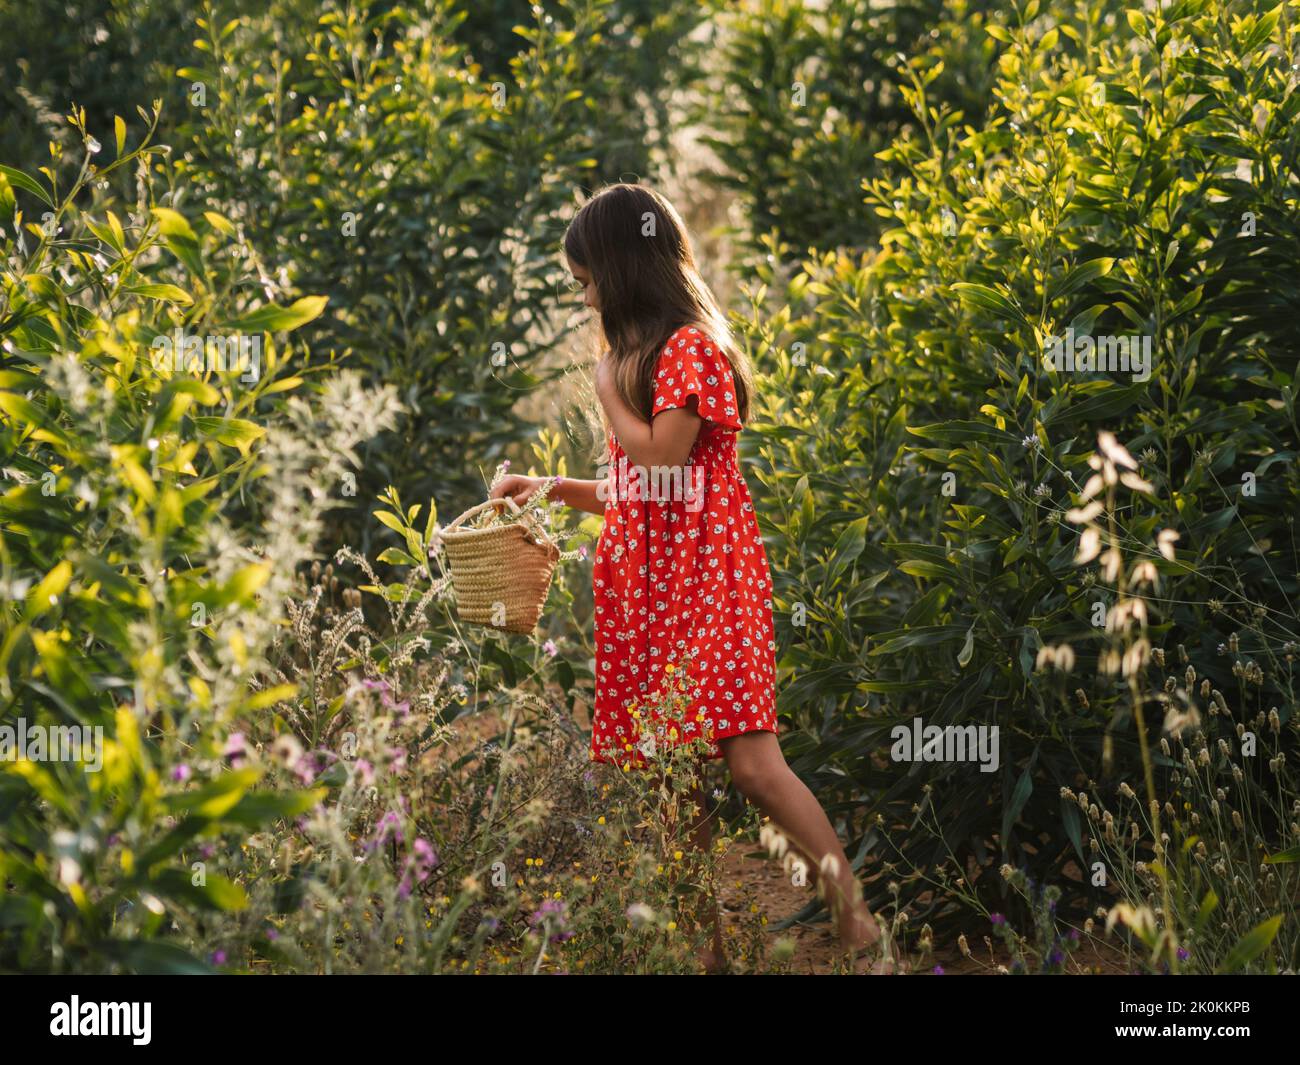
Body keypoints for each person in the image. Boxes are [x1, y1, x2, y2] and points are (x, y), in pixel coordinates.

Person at [490, 182, 906, 974]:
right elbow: (634, 489)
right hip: (648, 589)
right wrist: (542, 489)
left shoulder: (689, 350)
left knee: (752, 762)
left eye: (586, 282)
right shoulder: (641, 361)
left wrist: (609, 387)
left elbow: (661, 455)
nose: (583, 299)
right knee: (673, 777)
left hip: (709, 579)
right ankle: (702, 954)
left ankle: (861, 930)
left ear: (622, 271)